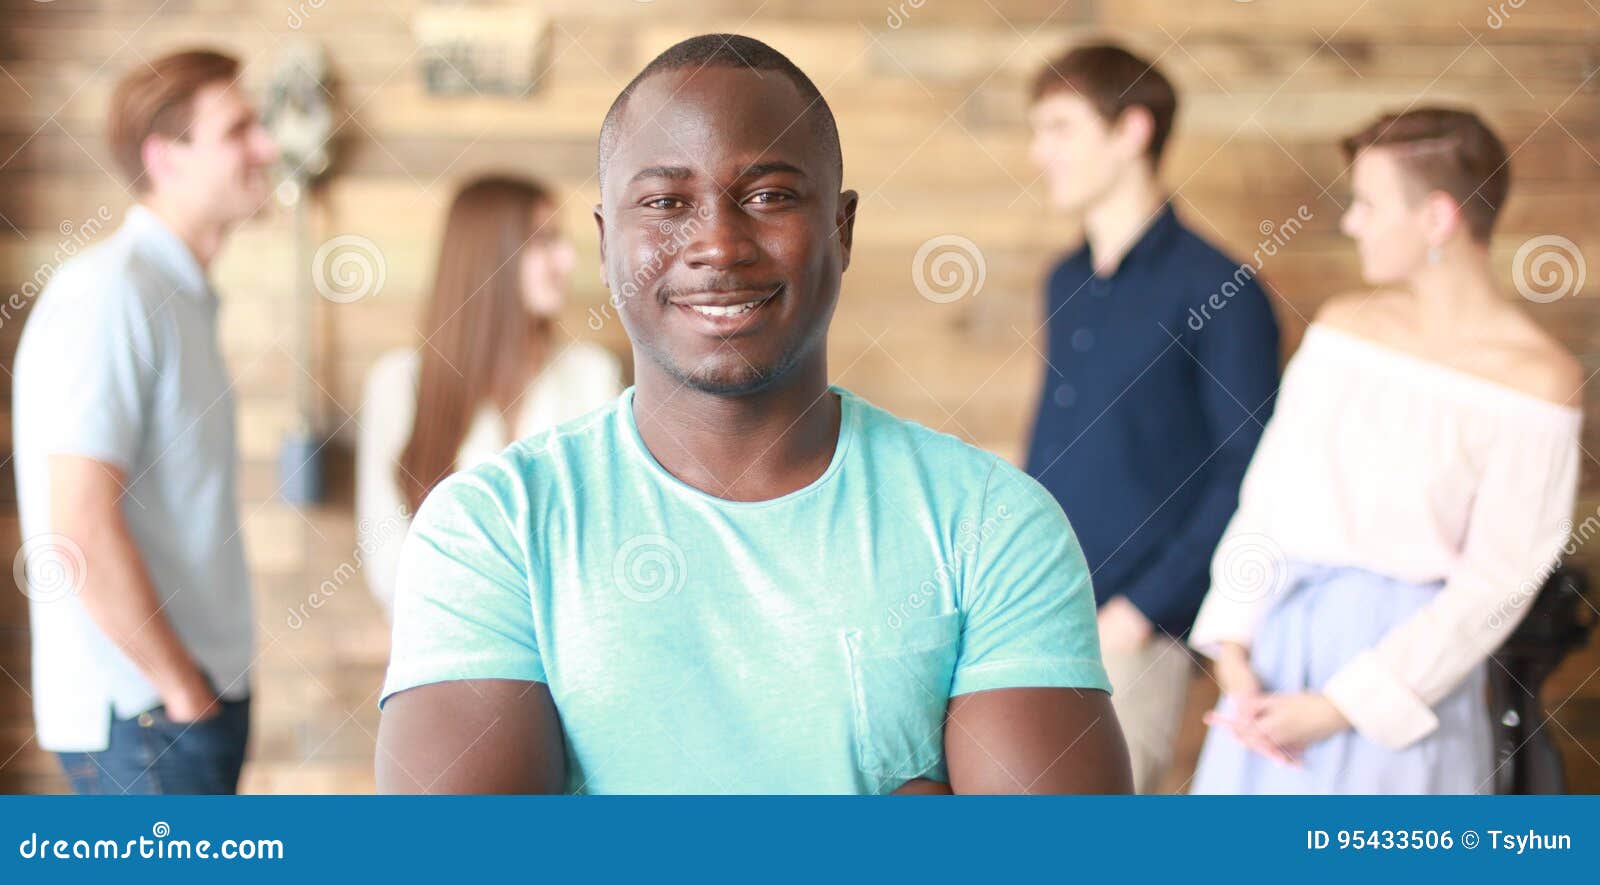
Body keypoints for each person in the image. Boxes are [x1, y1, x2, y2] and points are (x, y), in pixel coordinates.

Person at [375, 33, 1131, 795]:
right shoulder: (489, 528)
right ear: (607, 246)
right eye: (666, 203)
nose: (719, 244)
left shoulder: (993, 523)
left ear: (841, 231)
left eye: (769, 195)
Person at [1188, 107, 1583, 793]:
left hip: (1405, 691)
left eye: (1367, 203)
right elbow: (1268, 500)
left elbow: (1499, 582)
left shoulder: (1538, 380)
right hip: (1275, 664)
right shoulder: (1344, 329)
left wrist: (1340, 707)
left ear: (1436, 218)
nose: (1351, 222)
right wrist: (1234, 652)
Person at [12, 50, 278, 793]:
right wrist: (181, 690)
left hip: (180, 709)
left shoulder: (177, 293)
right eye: (238, 130)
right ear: (165, 158)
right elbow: (81, 531)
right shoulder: (113, 292)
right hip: (150, 720)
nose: (267, 148)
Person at [1022, 43, 1281, 792]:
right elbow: (1057, 447)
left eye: (1059, 127)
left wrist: (1140, 612)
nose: (1038, 153)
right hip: (1038, 608)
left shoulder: (1224, 288)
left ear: (1132, 130)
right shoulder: (1065, 279)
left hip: (1135, 633)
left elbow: (1246, 472)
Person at [356, 176, 621, 616]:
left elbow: (602, 542)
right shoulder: (399, 385)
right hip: (442, 658)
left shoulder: (594, 376)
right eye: (545, 241)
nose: (568, 259)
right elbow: (388, 564)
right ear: (488, 262)